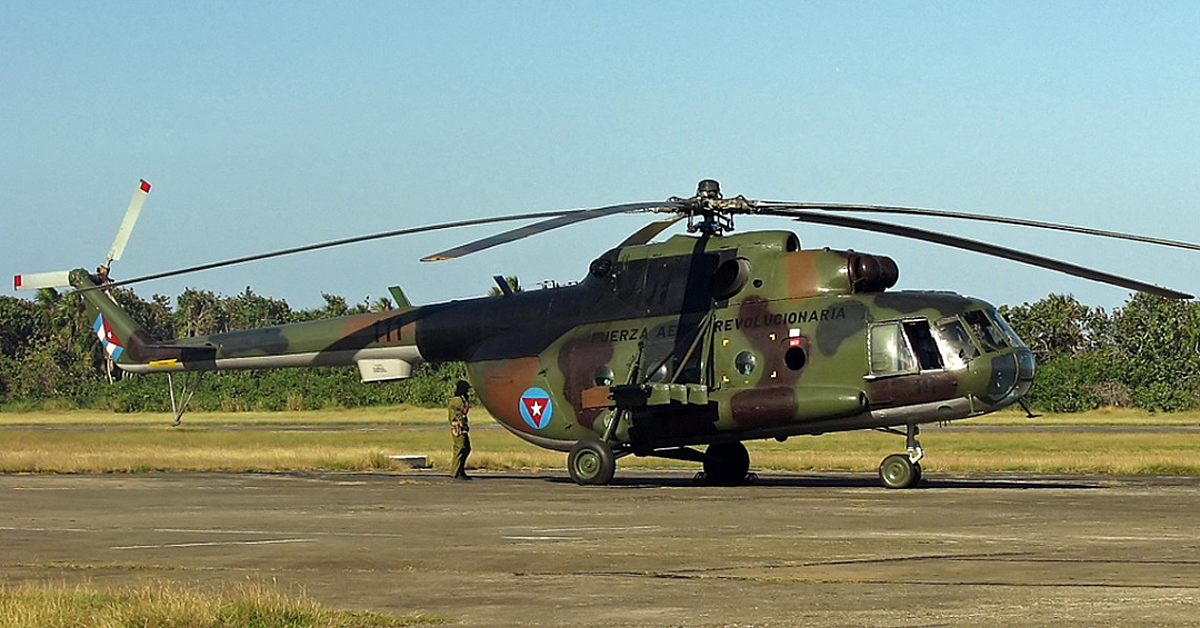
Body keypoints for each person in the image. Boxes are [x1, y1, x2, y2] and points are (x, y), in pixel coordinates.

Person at [448, 379, 472, 480]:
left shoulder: (459, 399)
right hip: (458, 427)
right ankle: (455, 472)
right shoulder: (457, 400)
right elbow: (465, 410)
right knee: (460, 448)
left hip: (462, 426)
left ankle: (460, 469)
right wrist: (466, 402)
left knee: (466, 448)